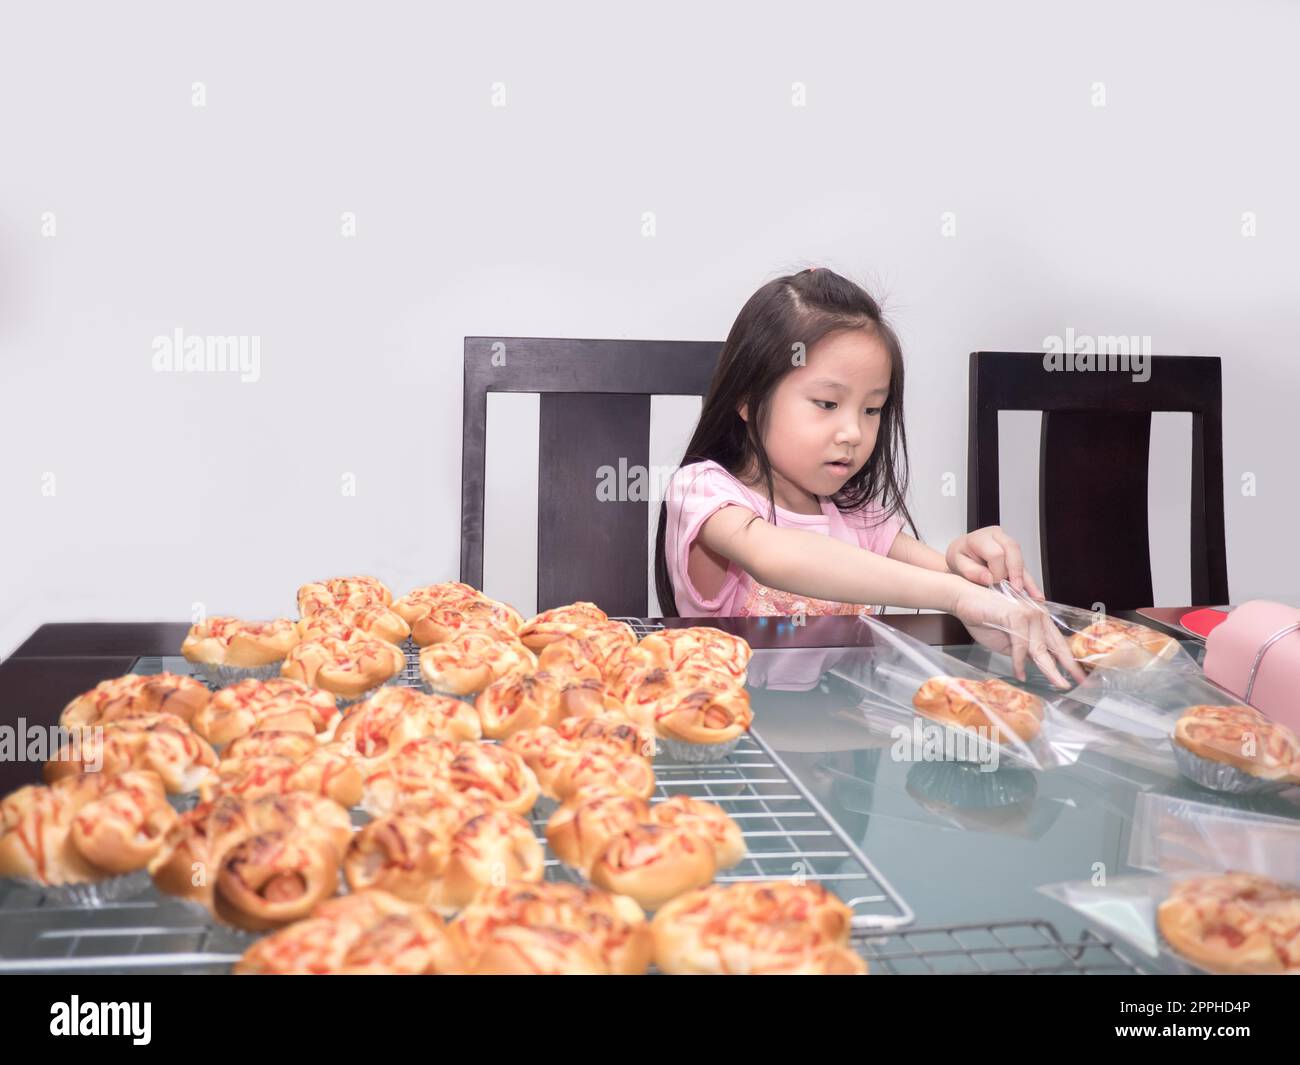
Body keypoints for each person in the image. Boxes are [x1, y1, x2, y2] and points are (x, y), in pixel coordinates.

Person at [654, 267, 1085, 688]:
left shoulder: (852, 510)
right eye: (826, 403)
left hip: (844, 739)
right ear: (748, 400)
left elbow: (945, 578)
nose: (854, 433)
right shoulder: (705, 492)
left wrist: (966, 567)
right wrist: (956, 595)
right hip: (732, 740)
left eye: (872, 409)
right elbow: (776, 556)